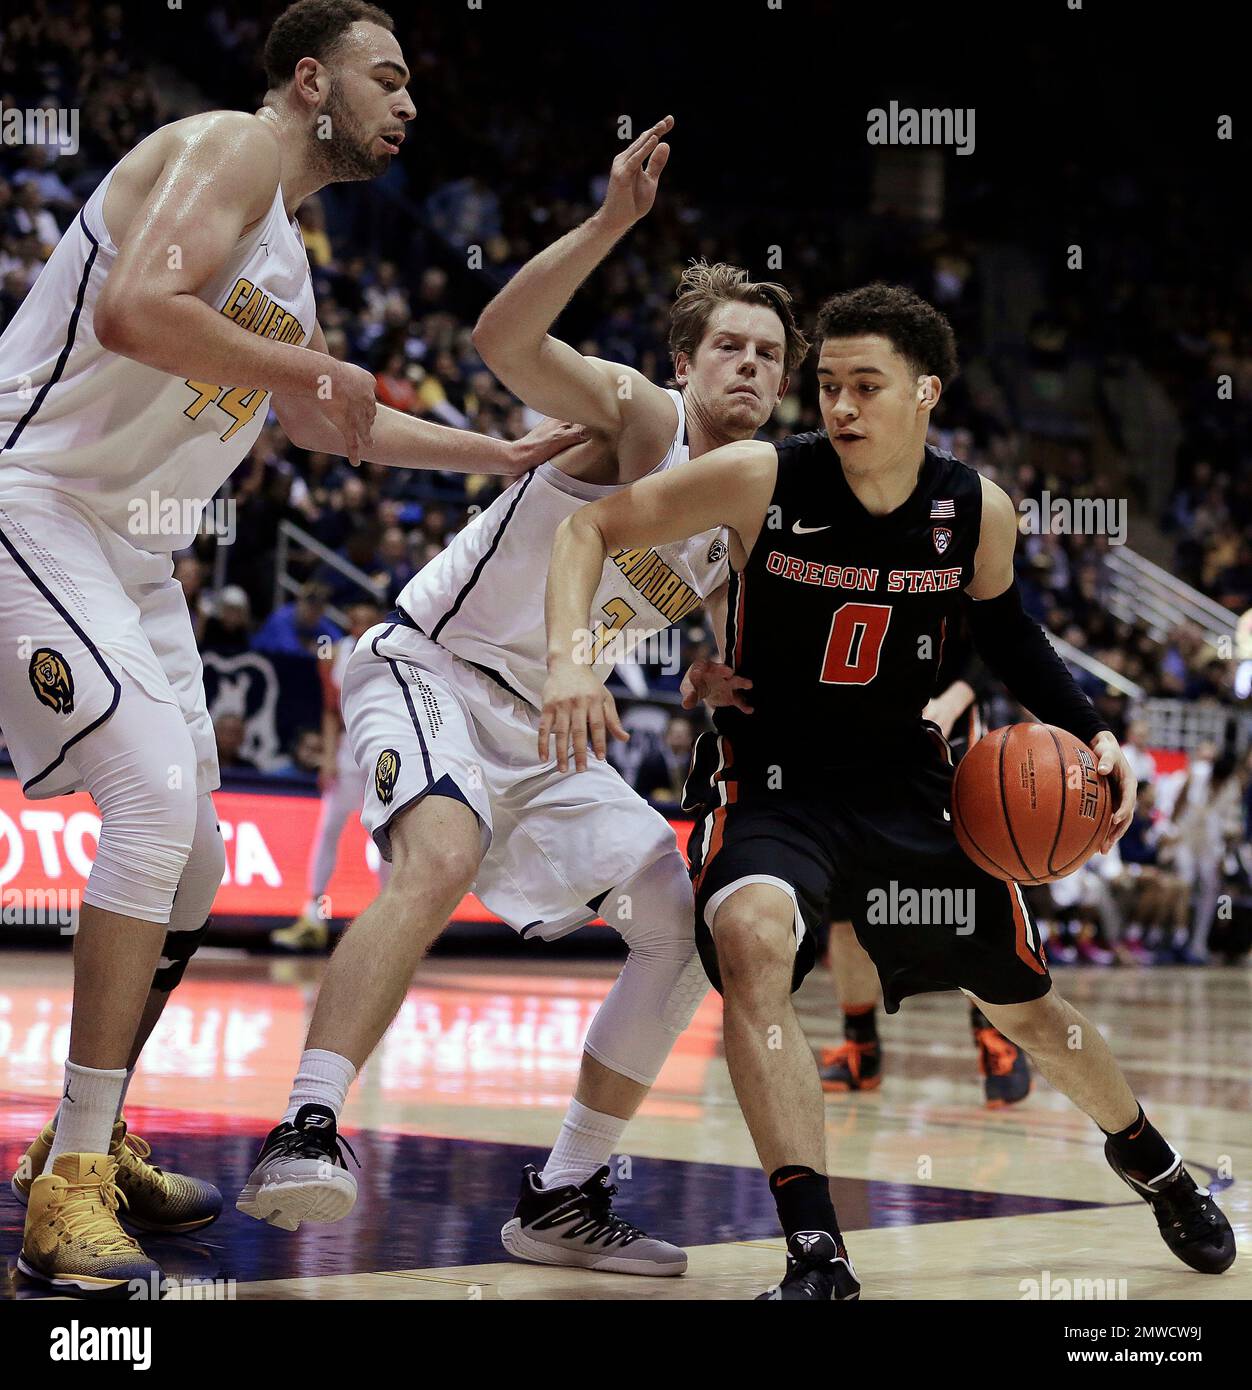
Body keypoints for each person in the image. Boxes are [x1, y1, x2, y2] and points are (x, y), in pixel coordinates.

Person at [0, 0, 577, 1296]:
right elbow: (139, 311)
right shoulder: (233, 149)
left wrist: (492, 453)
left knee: (197, 857)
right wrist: (302, 366)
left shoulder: (291, 258)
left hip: (131, 556)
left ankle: (86, 1131)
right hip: (32, 500)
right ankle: (68, 1191)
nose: (409, 102)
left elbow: (335, 423)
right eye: (390, 75)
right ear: (310, 81)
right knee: (151, 801)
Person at [541, 283, 1235, 1298]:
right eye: (826, 385)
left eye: (865, 386)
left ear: (927, 394)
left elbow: (1012, 642)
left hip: (911, 788)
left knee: (1029, 1008)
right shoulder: (760, 478)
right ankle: (816, 1248)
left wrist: (1097, 731)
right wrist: (571, 660)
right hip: (769, 782)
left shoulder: (972, 508)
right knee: (754, 943)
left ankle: (1150, 1160)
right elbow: (587, 530)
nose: (840, 406)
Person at [237, 118, 807, 1278]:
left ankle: (562, 1190)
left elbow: (712, 639)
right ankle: (306, 1120)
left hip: (547, 732)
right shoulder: (639, 415)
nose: (750, 367)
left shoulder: (750, 502)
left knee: (679, 922)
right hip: (430, 667)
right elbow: (502, 339)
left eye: (769, 356)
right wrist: (610, 223)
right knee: (437, 853)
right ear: (687, 361)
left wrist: (705, 676)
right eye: (731, 348)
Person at [272, 598, 389, 950]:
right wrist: (326, 757)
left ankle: (387, 923)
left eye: (367, 619)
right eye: (354, 618)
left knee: (384, 842)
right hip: (346, 756)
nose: (359, 624)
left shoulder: (393, 651)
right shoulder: (334, 654)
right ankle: (314, 916)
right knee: (328, 832)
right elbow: (328, 711)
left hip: (381, 759)